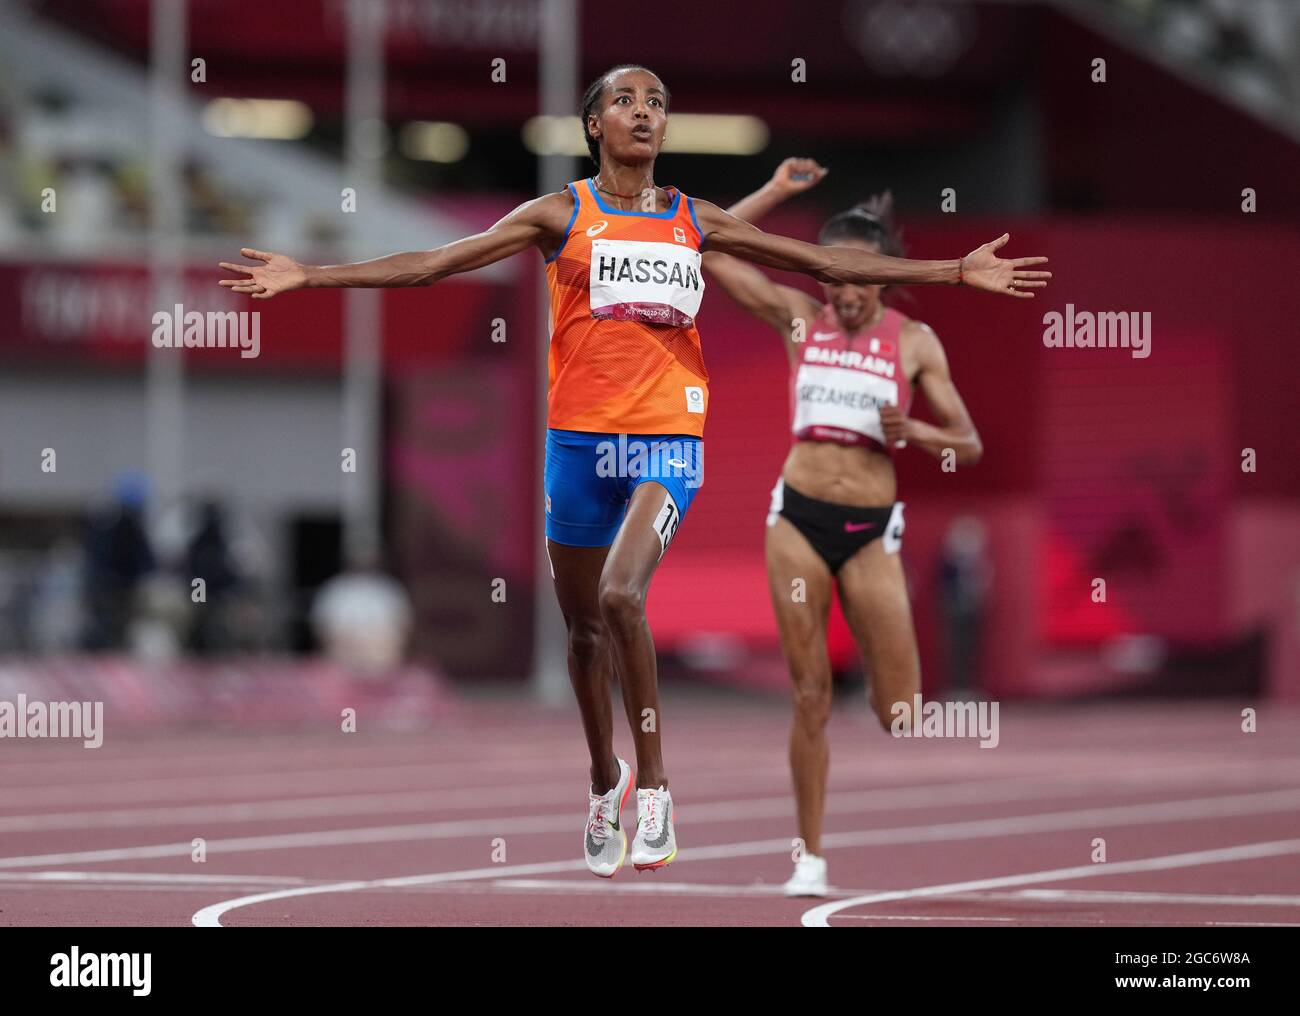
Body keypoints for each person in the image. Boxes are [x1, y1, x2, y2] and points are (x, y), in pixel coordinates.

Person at [219, 67, 1049, 878]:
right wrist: (311, 275)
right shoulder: (560, 213)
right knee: (584, 632)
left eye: (657, 102)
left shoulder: (696, 218)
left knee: (622, 594)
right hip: (578, 445)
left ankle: (655, 785)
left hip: (666, 442)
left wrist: (952, 273)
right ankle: (601, 780)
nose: (644, 113)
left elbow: (823, 266)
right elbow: (437, 262)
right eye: (625, 101)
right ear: (595, 125)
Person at [701, 158, 994, 896]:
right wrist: (770, 194)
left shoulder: (915, 341)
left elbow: (970, 443)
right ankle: (809, 856)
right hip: (797, 516)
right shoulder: (799, 318)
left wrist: (916, 433)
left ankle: (881, 679)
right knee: (808, 695)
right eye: (833, 277)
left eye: (860, 282)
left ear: (885, 281)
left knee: (900, 713)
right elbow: (702, 250)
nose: (845, 293)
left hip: (869, 529)